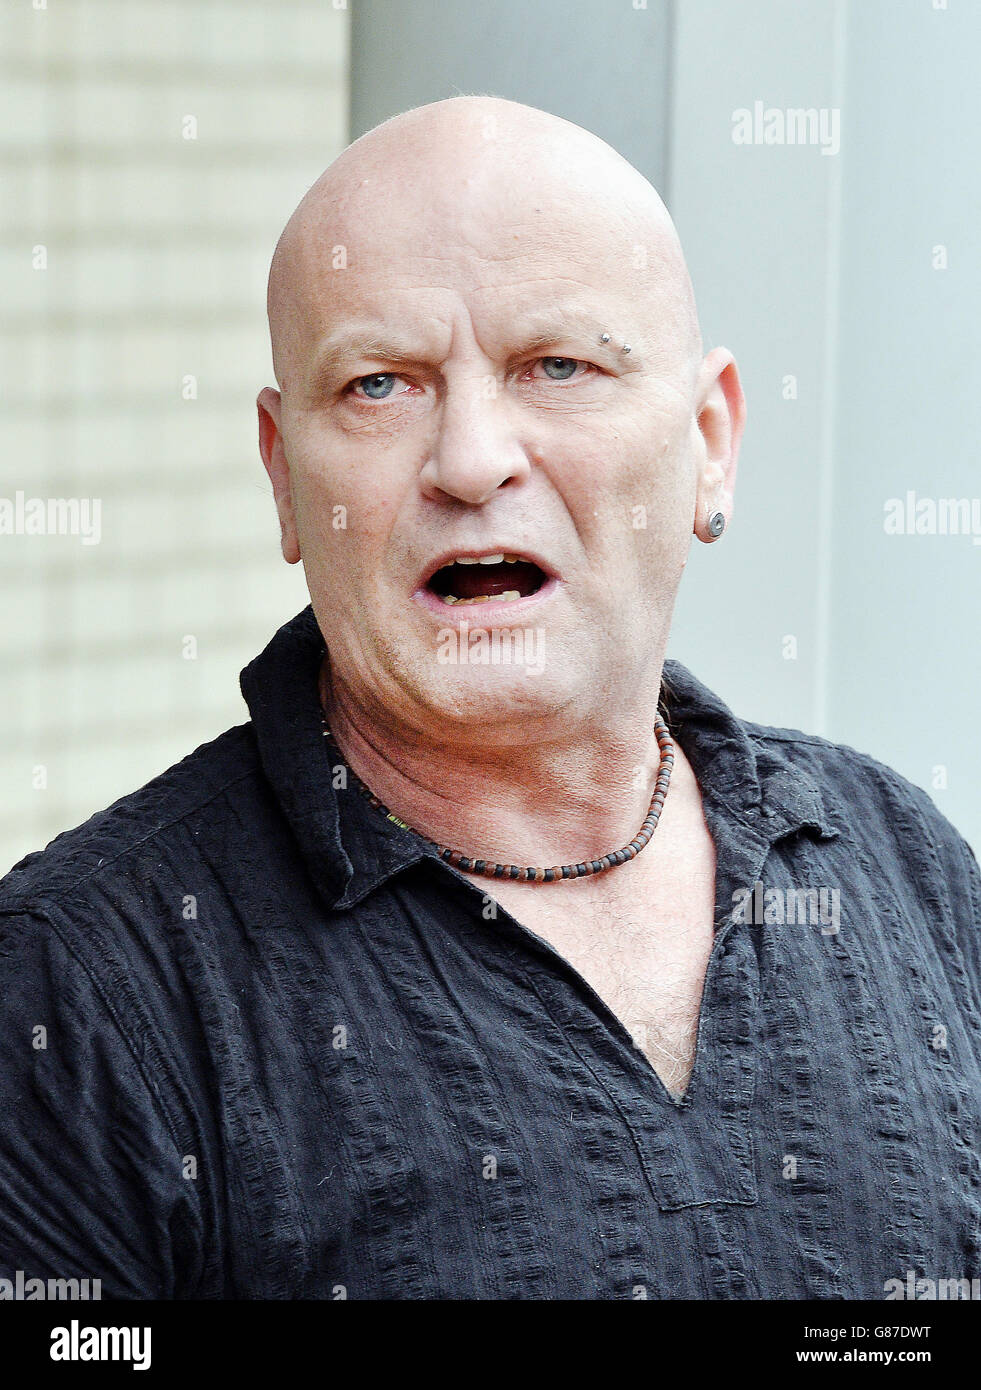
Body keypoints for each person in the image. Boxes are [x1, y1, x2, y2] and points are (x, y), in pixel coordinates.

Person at [1, 96, 978, 1301]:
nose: (470, 459)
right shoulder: (75, 988)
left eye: (558, 365)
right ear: (284, 482)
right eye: (378, 385)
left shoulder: (908, 869)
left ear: (710, 442)